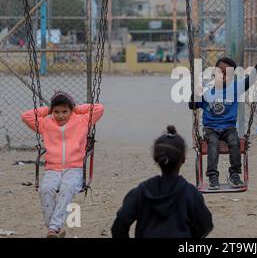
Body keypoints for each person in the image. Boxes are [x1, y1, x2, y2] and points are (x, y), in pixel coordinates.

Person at [21, 91, 104, 238]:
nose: (60, 116)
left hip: (75, 169)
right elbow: (26, 116)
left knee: (67, 188)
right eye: (56, 112)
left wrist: (76, 108)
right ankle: (53, 229)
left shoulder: (82, 120)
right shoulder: (46, 124)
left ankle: (53, 228)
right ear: (52, 111)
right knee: (45, 189)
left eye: (65, 111)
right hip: (53, 168)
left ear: (71, 110)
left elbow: (99, 108)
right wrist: (47, 109)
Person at [111, 126, 213, 238]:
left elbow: (120, 222)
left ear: (156, 158)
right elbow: (206, 225)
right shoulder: (190, 193)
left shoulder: (141, 191)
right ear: (183, 159)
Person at [189, 54, 257, 190]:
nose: (222, 75)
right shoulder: (207, 90)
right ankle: (213, 176)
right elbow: (193, 106)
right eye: (220, 72)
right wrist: (195, 93)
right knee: (212, 144)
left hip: (229, 127)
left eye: (227, 73)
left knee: (234, 141)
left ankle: (234, 174)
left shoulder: (235, 88)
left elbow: (251, 80)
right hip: (210, 128)